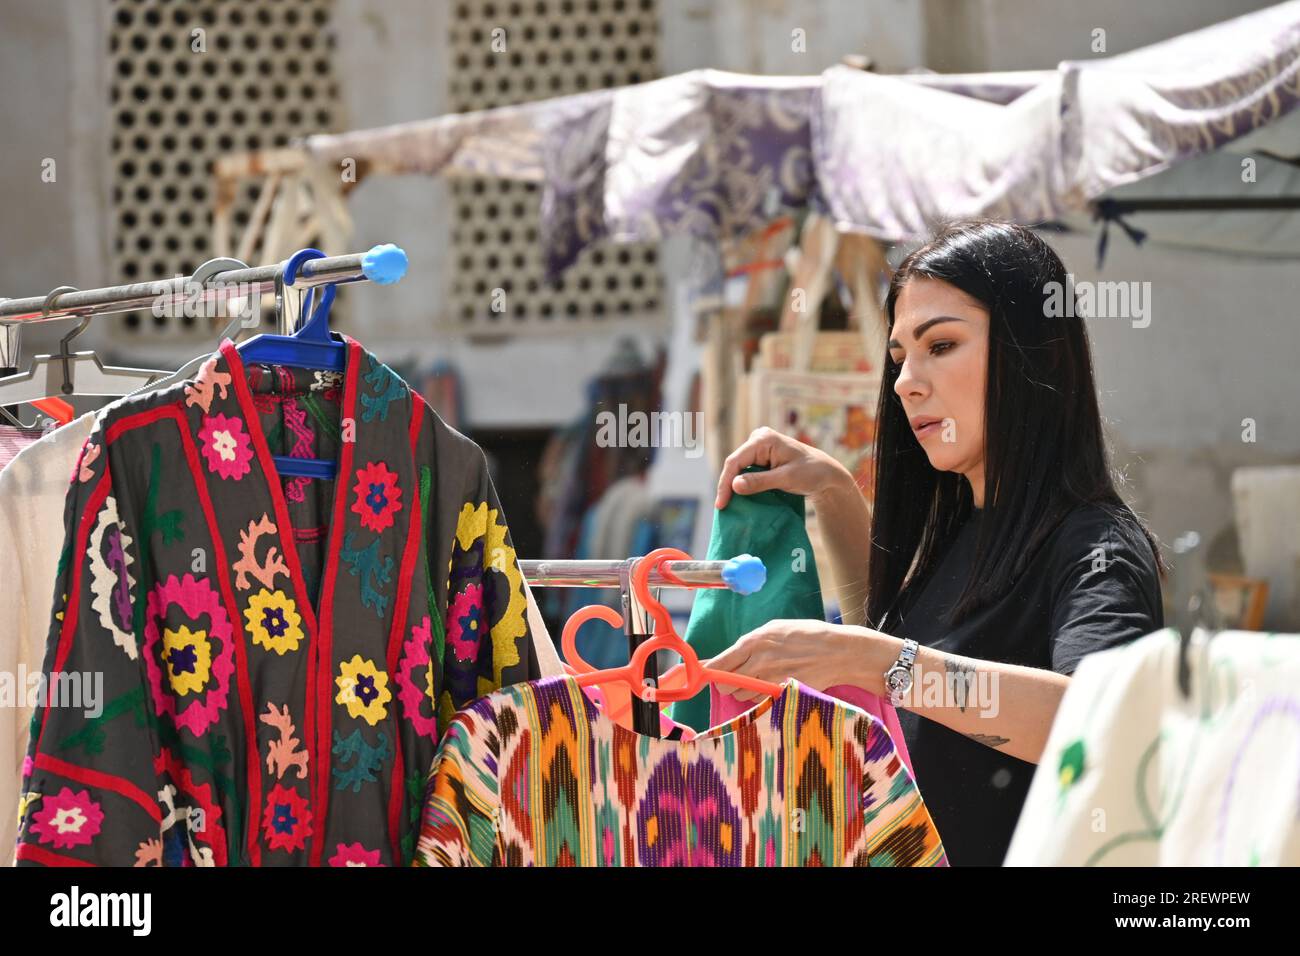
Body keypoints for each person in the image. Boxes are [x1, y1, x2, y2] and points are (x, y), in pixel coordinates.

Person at [708, 218, 1165, 866]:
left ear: (1033, 351)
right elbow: (892, 641)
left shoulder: (1094, 548)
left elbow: (1100, 723)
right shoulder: (967, 531)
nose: (906, 381)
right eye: (899, 356)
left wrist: (878, 663)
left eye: (941, 345)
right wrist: (834, 491)